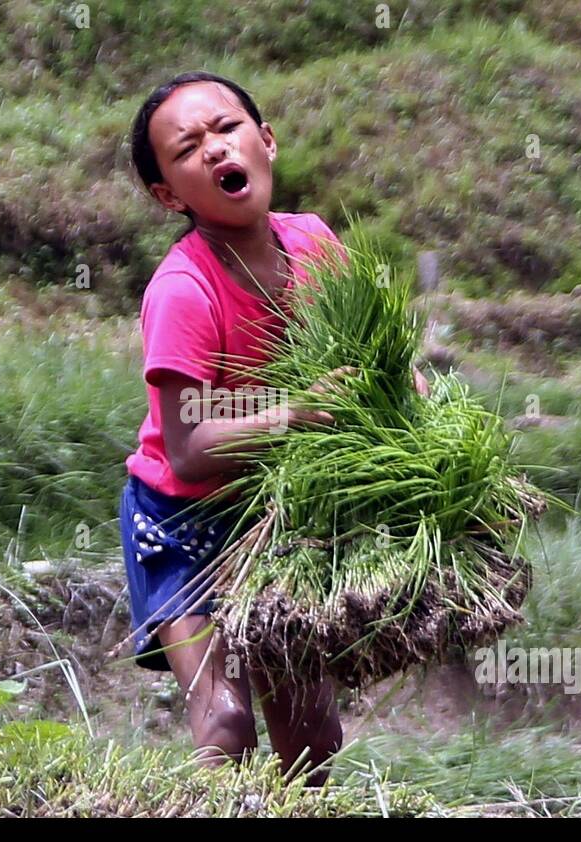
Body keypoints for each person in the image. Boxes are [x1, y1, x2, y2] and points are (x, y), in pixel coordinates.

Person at [120, 71, 425, 786]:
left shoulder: (315, 242)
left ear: (266, 140)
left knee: (312, 734)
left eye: (226, 128)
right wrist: (300, 414)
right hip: (183, 521)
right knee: (226, 721)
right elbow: (190, 448)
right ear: (168, 194)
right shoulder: (182, 291)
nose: (215, 149)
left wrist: (405, 397)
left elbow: (377, 355)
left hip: (276, 510)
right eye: (187, 147)